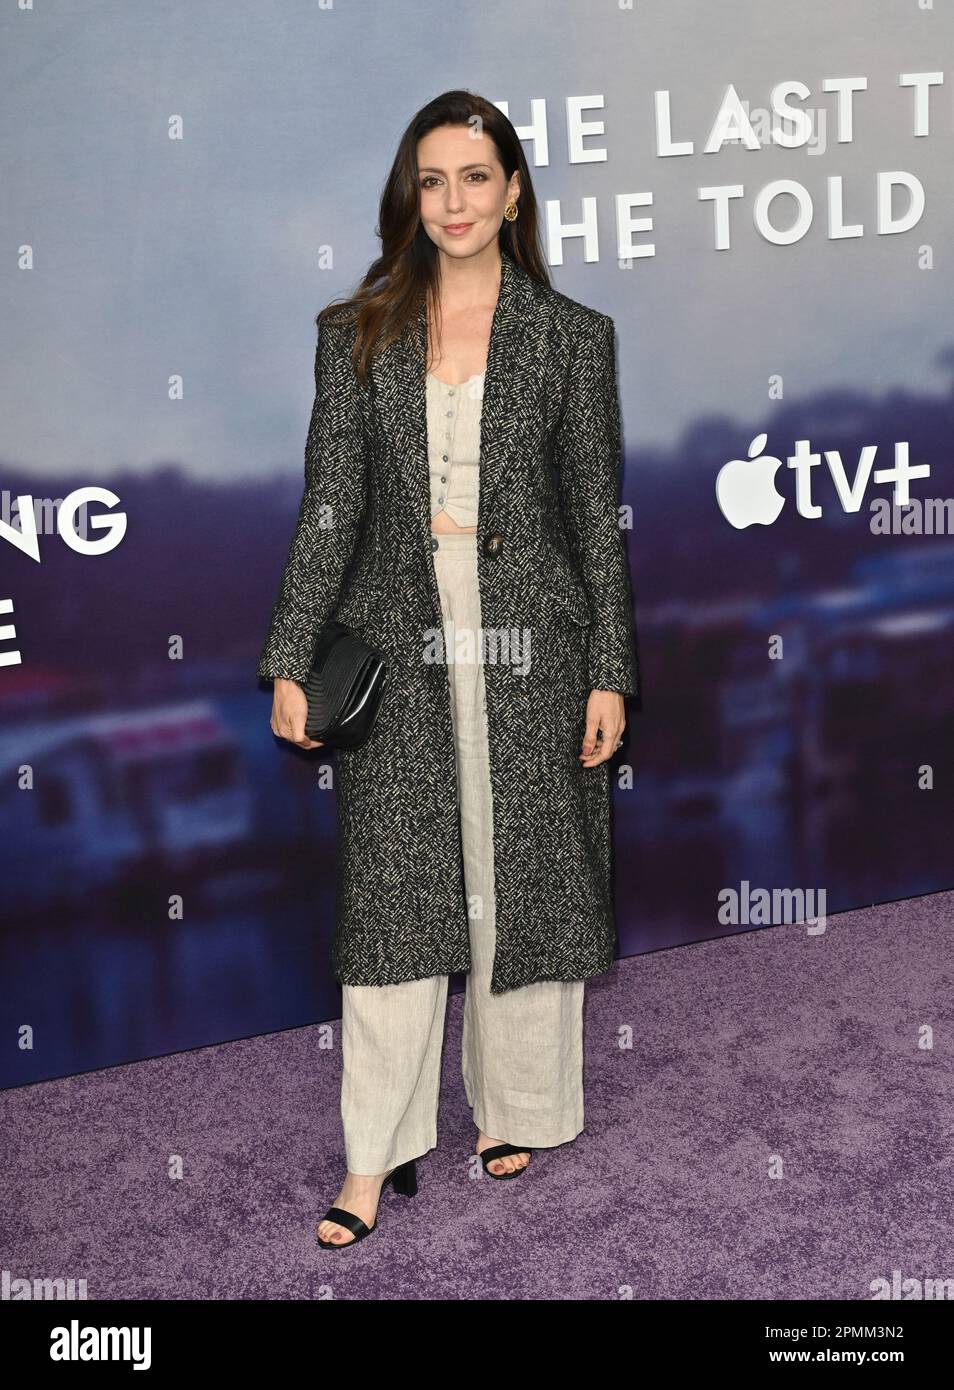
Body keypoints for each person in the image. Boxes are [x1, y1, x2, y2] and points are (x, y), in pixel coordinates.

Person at [257, 90, 638, 1248]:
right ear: (409, 197)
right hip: (396, 640)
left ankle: (515, 1108)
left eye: (477, 177)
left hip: (536, 640)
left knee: (520, 876)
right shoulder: (355, 331)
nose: (455, 202)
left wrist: (609, 669)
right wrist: (290, 654)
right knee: (395, 902)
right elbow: (330, 507)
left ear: (514, 190)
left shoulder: (574, 338)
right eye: (433, 181)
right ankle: (374, 1156)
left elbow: (590, 516)